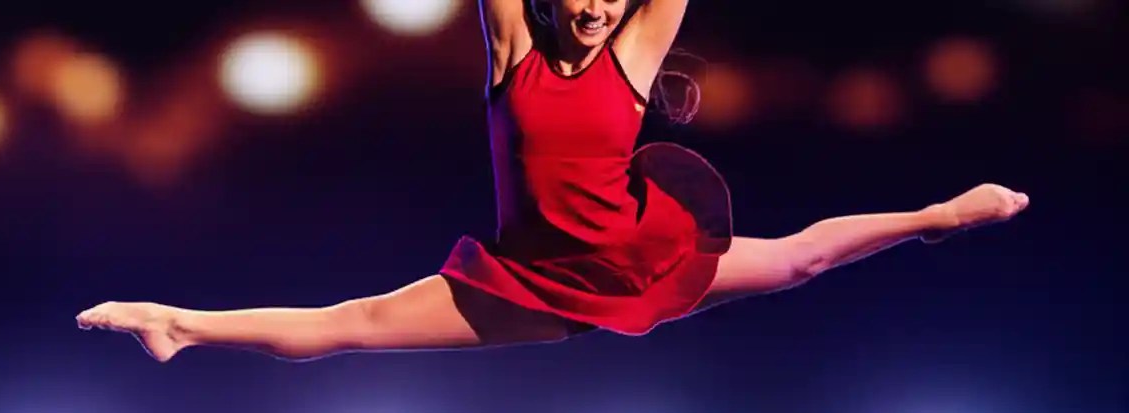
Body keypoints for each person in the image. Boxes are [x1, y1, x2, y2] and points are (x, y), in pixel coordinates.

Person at [76, 0, 1029, 363]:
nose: (595, 7)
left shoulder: (634, 57)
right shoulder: (511, 56)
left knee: (793, 264)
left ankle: (945, 213)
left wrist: (946, 212)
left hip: (632, 252)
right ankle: (177, 322)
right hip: (529, 277)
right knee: (349, 327)